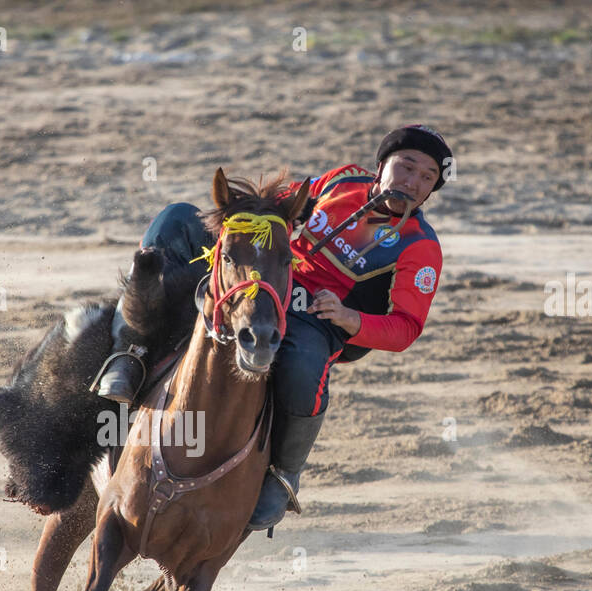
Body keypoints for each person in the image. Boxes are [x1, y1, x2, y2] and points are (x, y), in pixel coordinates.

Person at [91, 124, 451, 531]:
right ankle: (127, 353)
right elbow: (282, 204)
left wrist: (351, 319)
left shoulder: (419, 246)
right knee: (176, 219)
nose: (414, 182)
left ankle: (283, 475)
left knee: (302, 372)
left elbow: (405, 328)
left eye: (427, 178)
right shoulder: (343, 179)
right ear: (382, 164)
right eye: (406, 167)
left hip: (318, 319)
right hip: (264, 278)